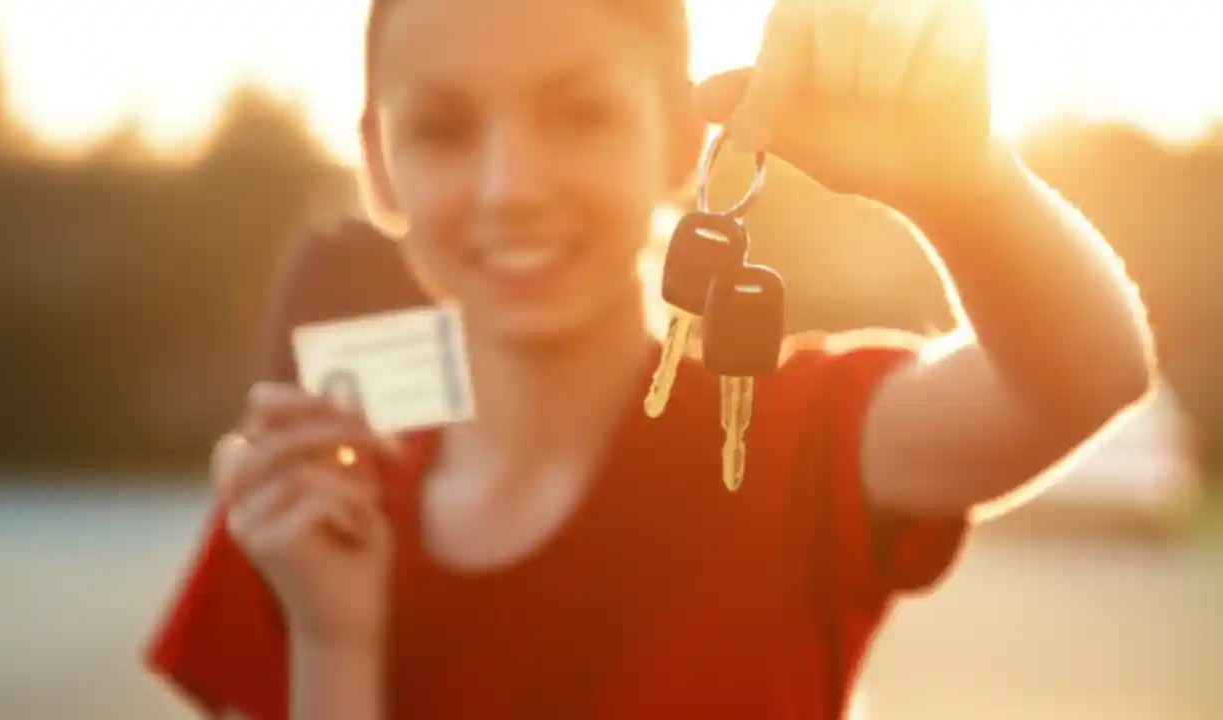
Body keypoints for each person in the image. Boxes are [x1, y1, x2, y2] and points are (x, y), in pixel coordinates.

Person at [145, 0, 1155, 718]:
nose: (509, 186)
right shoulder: (302, 498)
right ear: (377, 164)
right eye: (444, 128)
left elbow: (1082, 377)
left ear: (681, 138)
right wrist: (335, 644)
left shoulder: (792, 438)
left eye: (577, 113)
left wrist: (961, 181)